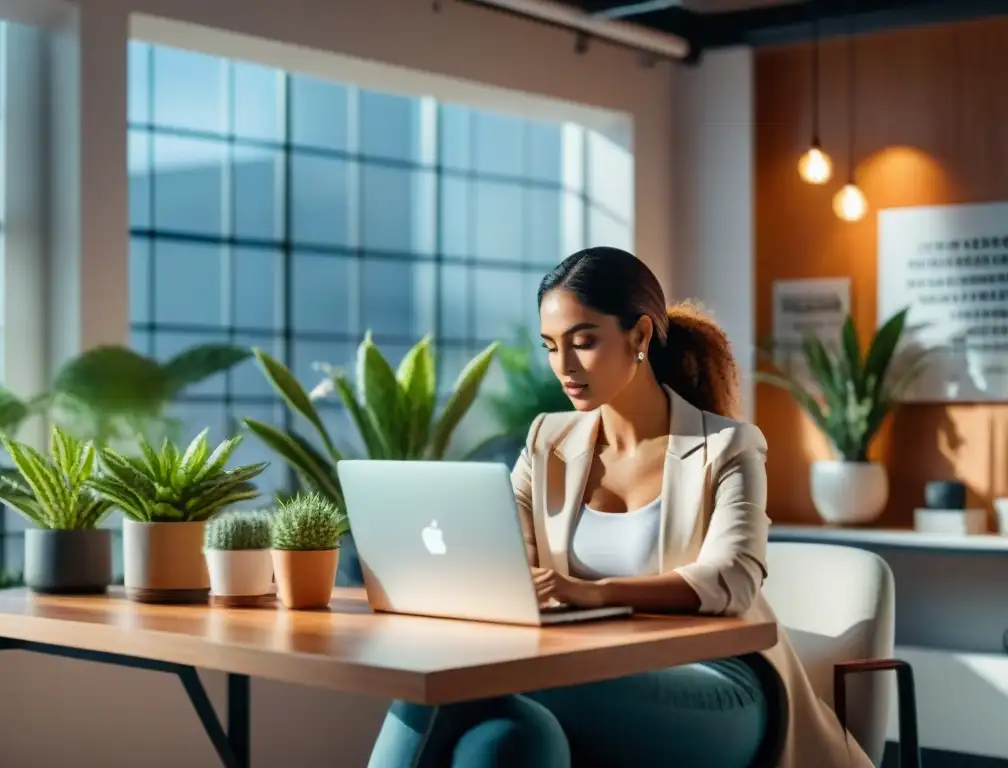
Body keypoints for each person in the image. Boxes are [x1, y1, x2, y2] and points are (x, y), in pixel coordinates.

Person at [368, 247, 872, 768]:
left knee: (456, 677)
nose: (563, 366)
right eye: (550, 347)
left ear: (639, 336)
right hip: (584, 666)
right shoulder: (548, 441)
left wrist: (590, 593)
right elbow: (509, 562)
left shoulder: (729, 447)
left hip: (723, 683)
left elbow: (732, 580)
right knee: (508, 741)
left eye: (583, 342)